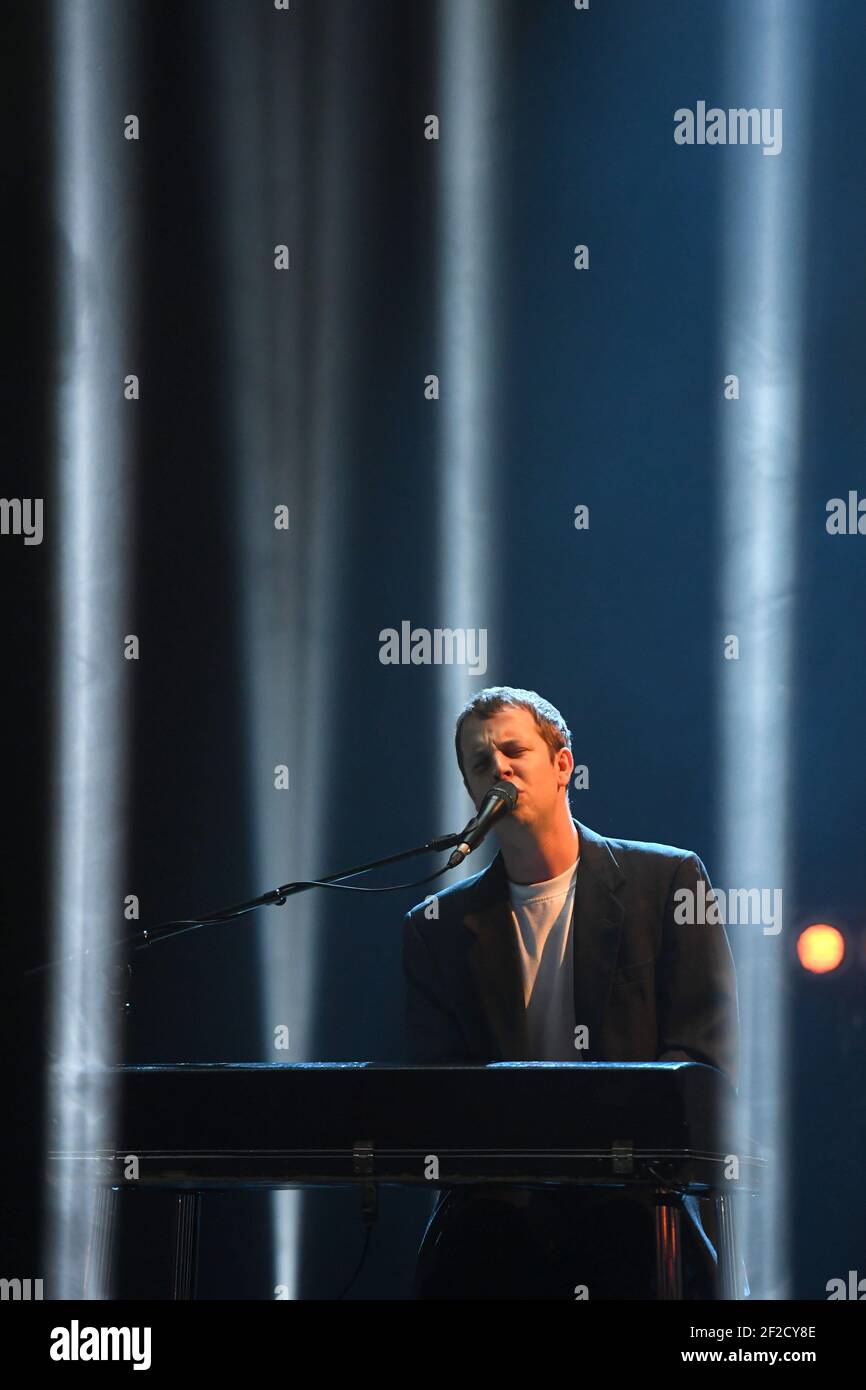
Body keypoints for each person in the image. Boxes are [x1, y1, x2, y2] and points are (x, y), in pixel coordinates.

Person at [402, 686, 740, 1299]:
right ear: (471, 790)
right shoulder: (438, 925)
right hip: (498, 1225)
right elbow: (435, 1087)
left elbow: (701, 1058)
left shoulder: (665, 880)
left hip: (634, 1208)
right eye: (480, 763)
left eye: (513, 750)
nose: (497, 767)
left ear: (563, 766)